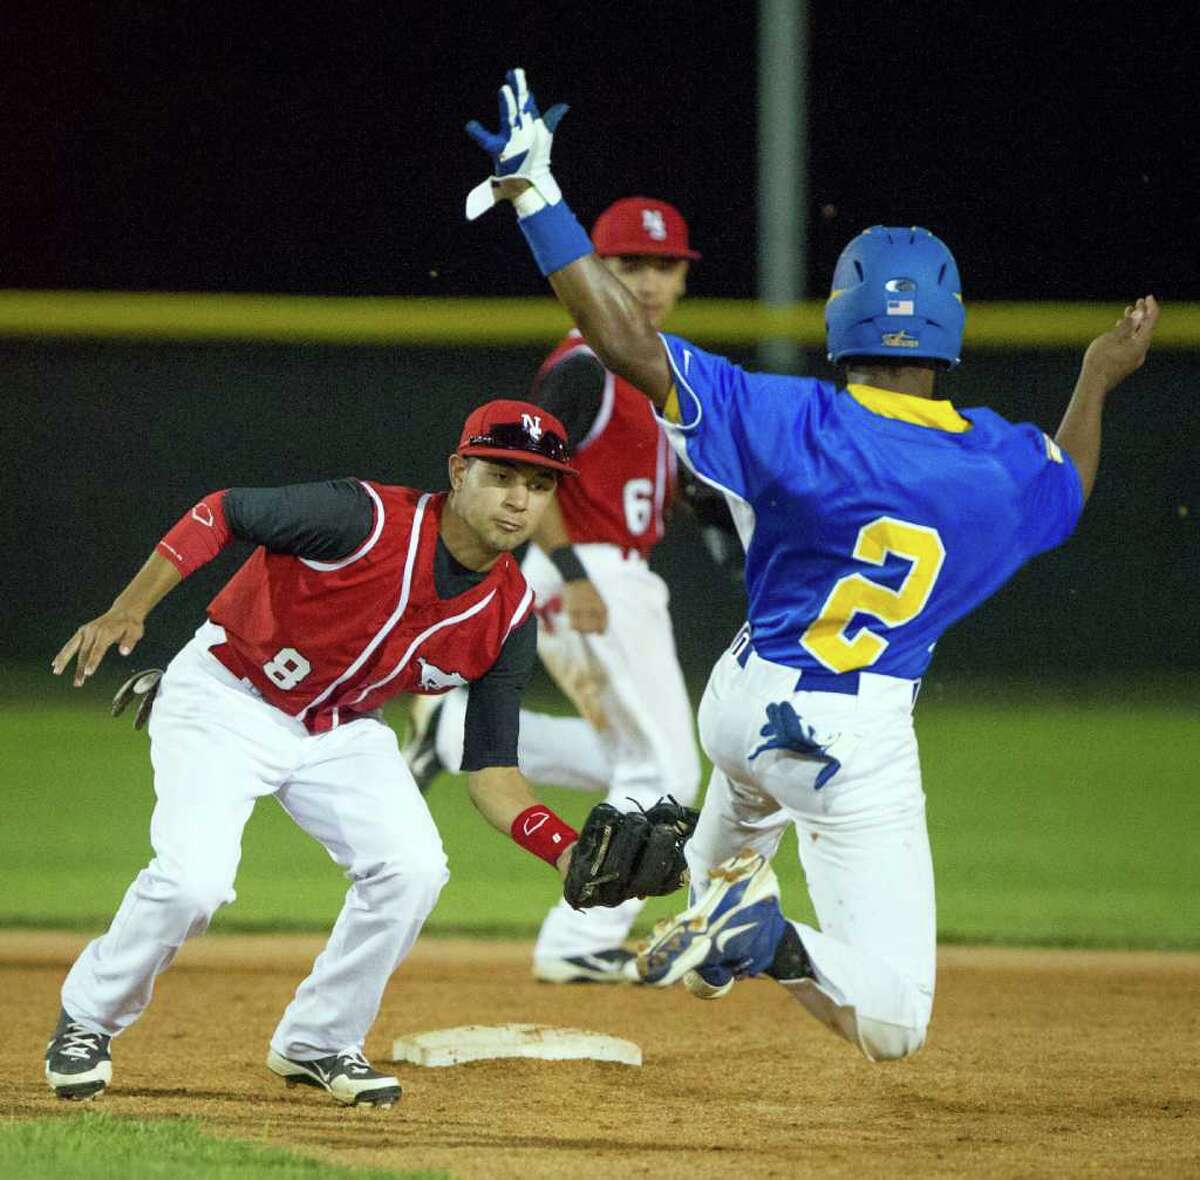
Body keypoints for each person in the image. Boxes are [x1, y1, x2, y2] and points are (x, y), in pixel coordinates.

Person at [464, 69, 1160, 1061]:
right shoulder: (998, 466)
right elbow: (1069, 482)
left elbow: (627, 343)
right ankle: (758, 934)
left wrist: (537, 196)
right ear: (951, 327)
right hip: (849, 736)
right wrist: (1096, 377)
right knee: (895, 1024)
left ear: (842, 317)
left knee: (718, 870)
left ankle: (716, 904)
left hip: (743, 703)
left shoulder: (791, 415)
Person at [43, 400, 604, 1105]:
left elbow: (493, 774)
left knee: (413, 869)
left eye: (541, 485)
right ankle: (88, 1019)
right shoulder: (362, 517)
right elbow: (221, 511)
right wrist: (132, 606)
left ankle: (317, 1042)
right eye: (502, 475)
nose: (520, 500)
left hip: (341, 729)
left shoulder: (510, 614)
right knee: (195, 881)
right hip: (225, 697)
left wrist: (565, 849)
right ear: (459, 470)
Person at [407, 196, 714, 985]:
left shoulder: (654, 365)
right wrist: (575, 577)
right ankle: (580, 937)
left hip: (610, 572)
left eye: (664, 265)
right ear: (592, 272)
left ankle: (451, 733)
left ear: (683, 277)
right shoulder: (586, 364)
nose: (647, 281)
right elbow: (525, 476)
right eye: (627, 265)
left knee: (630, 759)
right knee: (668, 774)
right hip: (591, 574)